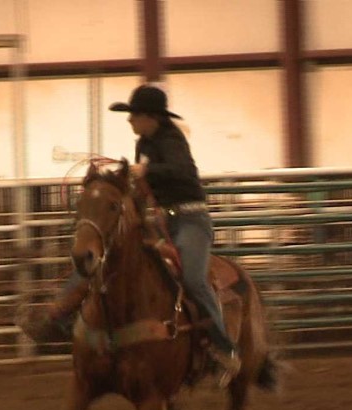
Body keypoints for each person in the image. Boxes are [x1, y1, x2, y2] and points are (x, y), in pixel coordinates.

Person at [17, 84, 240, 385]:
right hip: (160, 220)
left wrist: (147, 172)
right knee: (106, 256)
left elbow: (182, 170)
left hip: (191, 220)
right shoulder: (144, 145)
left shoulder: (172, 139)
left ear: (150, 117)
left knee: (193, 279)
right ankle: (58, 315)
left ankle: (224, 347)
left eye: (134, 115)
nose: (130, 120)